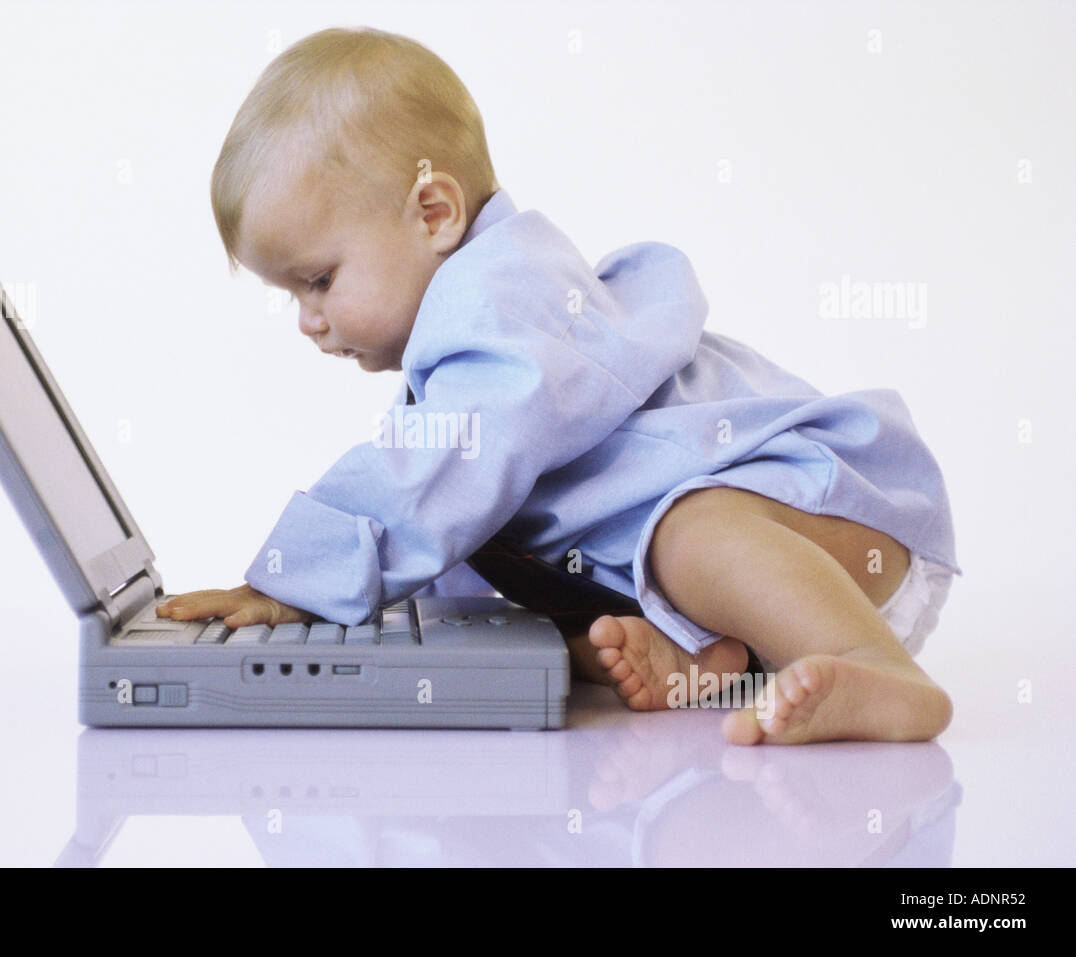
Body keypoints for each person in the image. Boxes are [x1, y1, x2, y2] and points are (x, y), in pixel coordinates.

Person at [158, 26, 959, 745]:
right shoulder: (466, 355)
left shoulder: (501, 299)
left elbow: (431, 479)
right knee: (552, 624)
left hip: (834, 508)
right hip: (778, 564)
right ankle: (706, 656)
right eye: (293, 296)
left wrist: (297, 582)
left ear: (433, 212)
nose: (309, 320)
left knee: (690, 528)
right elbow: (462, 524)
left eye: (320, 280)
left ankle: (877, 669)